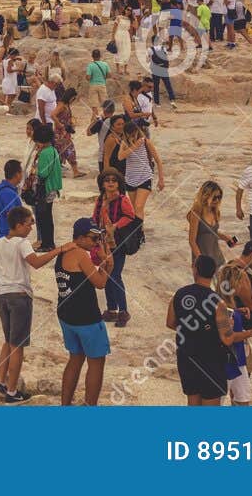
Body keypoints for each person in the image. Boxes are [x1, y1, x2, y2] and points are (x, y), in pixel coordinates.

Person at [0, 205, 65, 403]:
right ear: (19, 225)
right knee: (18, 345)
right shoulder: (22, 243)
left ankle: (0, 383)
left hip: (1, 295)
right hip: (19, 296)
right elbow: (35, 263)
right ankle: (11, 391)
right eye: (30, 223)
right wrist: (58, 250)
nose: (31, 227)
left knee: (8, 340)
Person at [173, 254, 252, 405]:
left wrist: (196, 328)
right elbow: (227, 338)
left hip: (187, 358)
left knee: (193, 402)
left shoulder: (179, 294)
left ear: (195, 270)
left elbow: (171, 322)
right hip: (211, 360)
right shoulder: (219, 303)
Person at [53, 219, 113, 406]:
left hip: (66, 314)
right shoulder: (81, 255)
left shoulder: (63, 253)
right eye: (94, 238)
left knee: (75, 359)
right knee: (96, 363)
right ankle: (90, 406)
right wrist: (107, 262)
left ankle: (65, 404)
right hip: (86, 318)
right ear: (80, 238)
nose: (96, 242)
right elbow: (100, 283)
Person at [92, 168, 139, 325]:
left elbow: (130, 216)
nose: (110, 183)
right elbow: (94, 217)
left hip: (118, 243)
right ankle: (112, 310)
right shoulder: (100, 199)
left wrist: (115, 226)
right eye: (107, 180)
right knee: (106, 275)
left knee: (115, 276)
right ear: (102, 184)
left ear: (119, 183)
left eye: (114, 180)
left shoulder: (122, 200)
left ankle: (123, 311)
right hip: (103, 244)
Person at [114, 118, 162, 216]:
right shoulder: (124, 143)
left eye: (133, 133)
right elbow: (120, 157)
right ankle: (138, 228)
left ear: (137, 131)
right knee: (134, 208)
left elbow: (158, 160)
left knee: (139, 206)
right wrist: (134, 146)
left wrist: (161, 179)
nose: (132, 136)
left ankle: (139, 231)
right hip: (130, 178)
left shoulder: (146, 142)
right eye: (129, 134)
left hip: (145, 177)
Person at [27, 121, 63, 251]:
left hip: (44, 190)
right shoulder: (52, 150)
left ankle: (47, 244)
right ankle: (49, 243)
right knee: (47, 217)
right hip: (52, 188)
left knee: (43, 218)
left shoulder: (44, 153)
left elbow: (43, 173)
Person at [187, 180, 236, 273]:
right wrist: (200, 260)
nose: (217, 200)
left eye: (219, 197)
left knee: (222, 286)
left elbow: (210, 232)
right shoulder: (196, 213)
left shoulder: (215, 211)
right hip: (202, 260)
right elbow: (192, 241)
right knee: (204, 287)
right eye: (214, 197)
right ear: (206, 196)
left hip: (218, 258)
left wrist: (225, 238)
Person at [0, 159, 24, 238]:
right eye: (21, 172)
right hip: (10, 235)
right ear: (17, 174)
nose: (22, 175)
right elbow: (12, 215)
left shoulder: (0, 188)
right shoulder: (8, 193)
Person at [84, 48, 110, 118]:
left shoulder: (90, 65)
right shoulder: (105, 64)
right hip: (102, 85)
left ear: (92, 56)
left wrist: (88, 77)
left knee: (94, 105)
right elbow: (108, 75)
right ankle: (106, 118)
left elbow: (88, 77)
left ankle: (95, 120)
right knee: (105, 104)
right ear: (100, 56)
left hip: (93, 85)